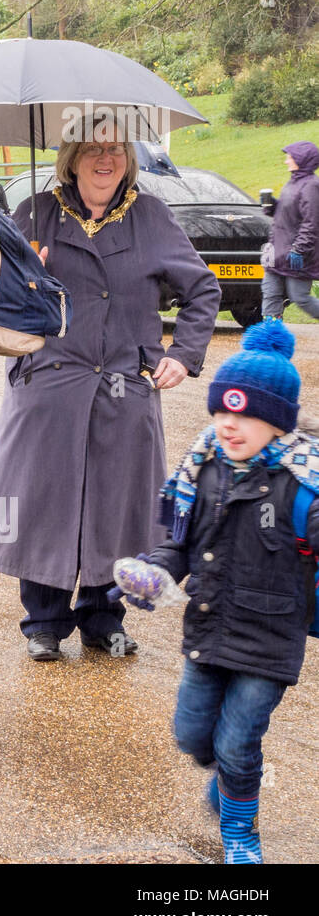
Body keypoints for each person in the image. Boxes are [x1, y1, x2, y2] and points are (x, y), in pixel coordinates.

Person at [0, 118, 220, 660]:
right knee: (44, 503)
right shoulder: (34, 212)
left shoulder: (151, 217)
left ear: (128, 157)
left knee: (115, 507)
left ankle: (103, 614)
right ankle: (43, 620)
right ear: (72, 156)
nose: (104, 158)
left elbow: (202, 288)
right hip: (48, 386)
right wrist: (22, 274)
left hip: (123, 390)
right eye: (92, 148)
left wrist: (182, 356)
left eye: (114, 148)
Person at [123, 320, 318, 863]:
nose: (228, 425)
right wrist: (156, 571)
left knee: (237, 744)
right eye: (220, 411)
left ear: (277, 423)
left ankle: (240, 832)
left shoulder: (305, 488)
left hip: (270, 642)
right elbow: (178, 543)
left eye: (245, 414)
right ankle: (233, 779)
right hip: (208, 632)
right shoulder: (200, 470)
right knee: (191, 736)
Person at [261, 141, 319, 321]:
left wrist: (298, 250)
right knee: (270, 295)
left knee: (300, 298)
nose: (287, 161)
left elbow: (312, 222)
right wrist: (272, 206)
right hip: (277, 251)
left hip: (296, 255)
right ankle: (270, 341)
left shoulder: (311, 186)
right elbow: (290, 213)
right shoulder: (292, 182)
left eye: (290, 157)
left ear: (302, 159)